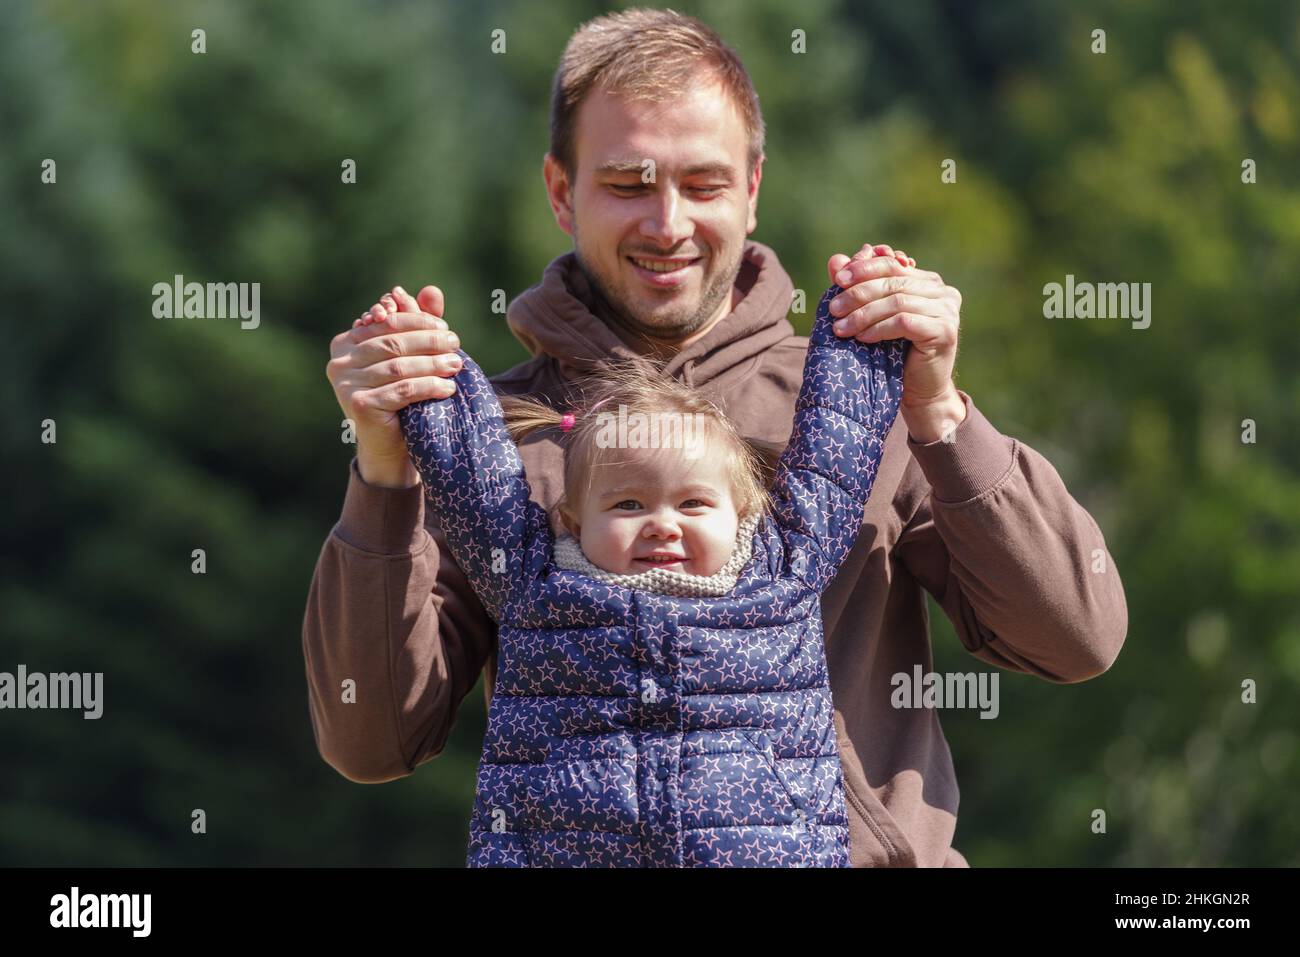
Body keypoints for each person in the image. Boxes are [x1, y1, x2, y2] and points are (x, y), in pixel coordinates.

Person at [306, 8, 1128, 867]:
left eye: (702, 185)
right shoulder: (491, 440)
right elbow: (371, 741)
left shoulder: (865, 405)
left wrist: (942, 411)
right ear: (560, 191)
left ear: (753, 188)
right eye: (628, 183)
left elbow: (1075, 637)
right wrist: (382, 471)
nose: (667, 225)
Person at [391, 269, 906, 866]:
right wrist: (423, 365)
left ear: (743, 513)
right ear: (575, 522)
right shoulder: (532, 583)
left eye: (693, 503)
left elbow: (833, 449)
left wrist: (863, 321)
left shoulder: (782, 573)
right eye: (628, 504)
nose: (663, 524)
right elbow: (471, 476)